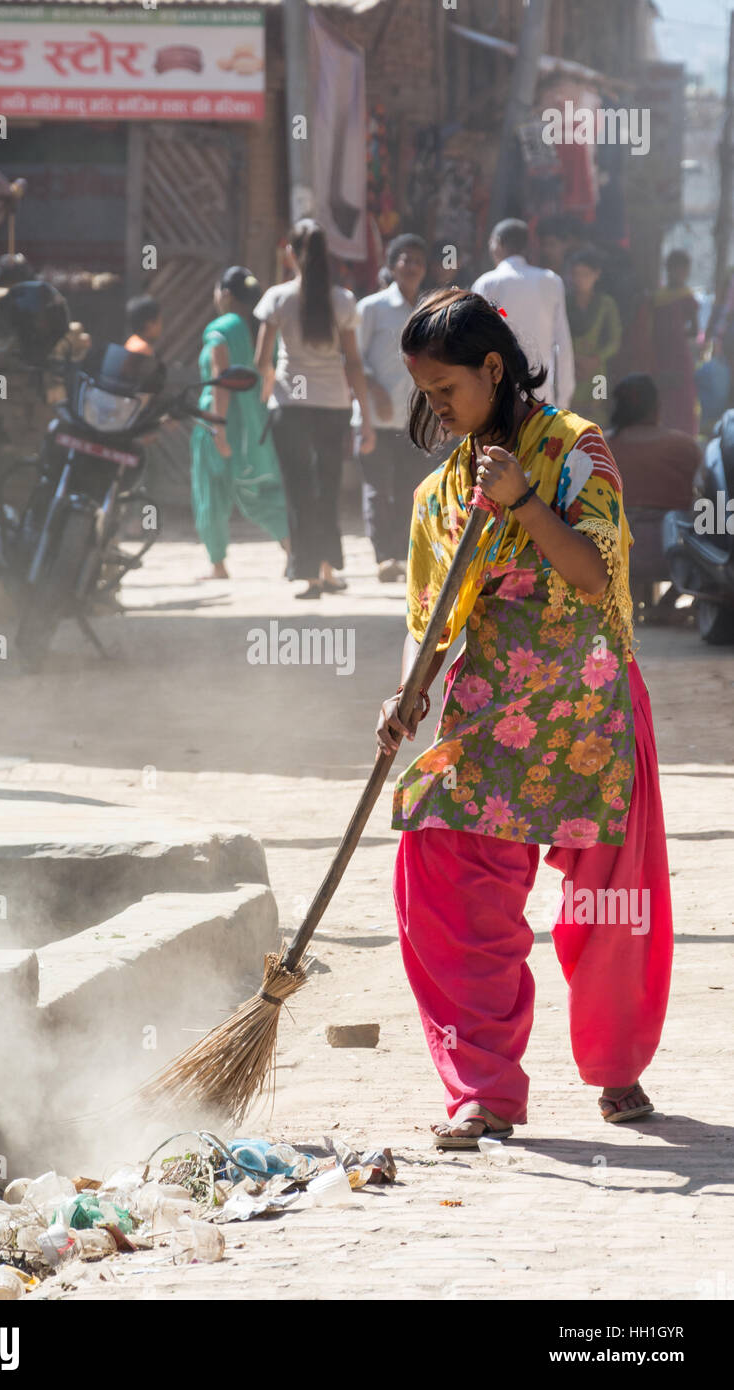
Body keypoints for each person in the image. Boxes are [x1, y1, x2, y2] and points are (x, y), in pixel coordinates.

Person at [376, 288, 673, 1147]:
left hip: (592, 705)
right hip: (492, 708)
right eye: (425, 394)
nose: (433, 409)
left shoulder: (577, 450)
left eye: (445, 391)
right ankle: (485, 1090)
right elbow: (428, 618)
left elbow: (593, 574)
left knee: (615, 905)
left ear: (493, 369)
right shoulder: (439, 493)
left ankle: (617, 1068)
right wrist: (410, 693)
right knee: (437, 862)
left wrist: (522, 503)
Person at [253, 219, 376, 600]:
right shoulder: (343, 300)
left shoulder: (277, 298)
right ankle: (326, 569)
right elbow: (353, 363)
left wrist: (267, 394)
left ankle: (306, 575)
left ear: (290, 253)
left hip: (291, 406)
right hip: (333, 405)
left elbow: (262, 361)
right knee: (327, 487)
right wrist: (366, 419)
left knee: (299, 489)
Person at [189, 267, 289, 581]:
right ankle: (293, 547)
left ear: (226, 294)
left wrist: (218, 427)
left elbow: (221, 380)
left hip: (220, 421)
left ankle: (217, 564)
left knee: (211, 490)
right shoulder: (262, 328)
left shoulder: (222, 327)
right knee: (257, 491)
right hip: (254, 425)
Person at [354, 234, 432, 582]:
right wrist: (375, 390)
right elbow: (352, 357)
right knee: (377, 490)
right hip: (375, 418)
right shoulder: (372, 308)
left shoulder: (429, 311)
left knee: (410, 491)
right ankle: (384, 557)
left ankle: (404, 555)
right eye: (405, 259)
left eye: (418, 260)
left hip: (415, 421)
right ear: (391, 265)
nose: (412, 266)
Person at [606, 373, 700, 615]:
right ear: (657, 408)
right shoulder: (684, 446)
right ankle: (666, 605)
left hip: (614, 554)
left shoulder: (599, 445)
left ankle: (630, 600)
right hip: (671, 555)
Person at [472, 218, 575, 409]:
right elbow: (563, 343)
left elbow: (475, 343)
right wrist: (564, 397)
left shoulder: (487, 284)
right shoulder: (551, 281)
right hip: (542, 394)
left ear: (498, 243)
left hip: (498, 394)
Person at [566, 246, 622, 426]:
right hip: (570, 368)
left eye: (585, 274)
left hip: (598, 371)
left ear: (597, 274)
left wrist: (596, 359)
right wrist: (573, 358)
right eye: (576, 274)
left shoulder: (606, 304)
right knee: (569, 418)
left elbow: (615, 341)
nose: (579, 279)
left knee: (598, 416)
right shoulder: (565, 301)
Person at [651, 250, 699, 436]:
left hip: (679, 358)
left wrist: (676, 335)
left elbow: (694, 329)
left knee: (683, 400)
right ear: (669, 269)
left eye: (684, 271)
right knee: (664, 398)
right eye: (678, 270)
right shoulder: (657, 297)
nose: (681, 274)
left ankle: (685, 438)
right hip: (661, 356)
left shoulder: (686, 296)